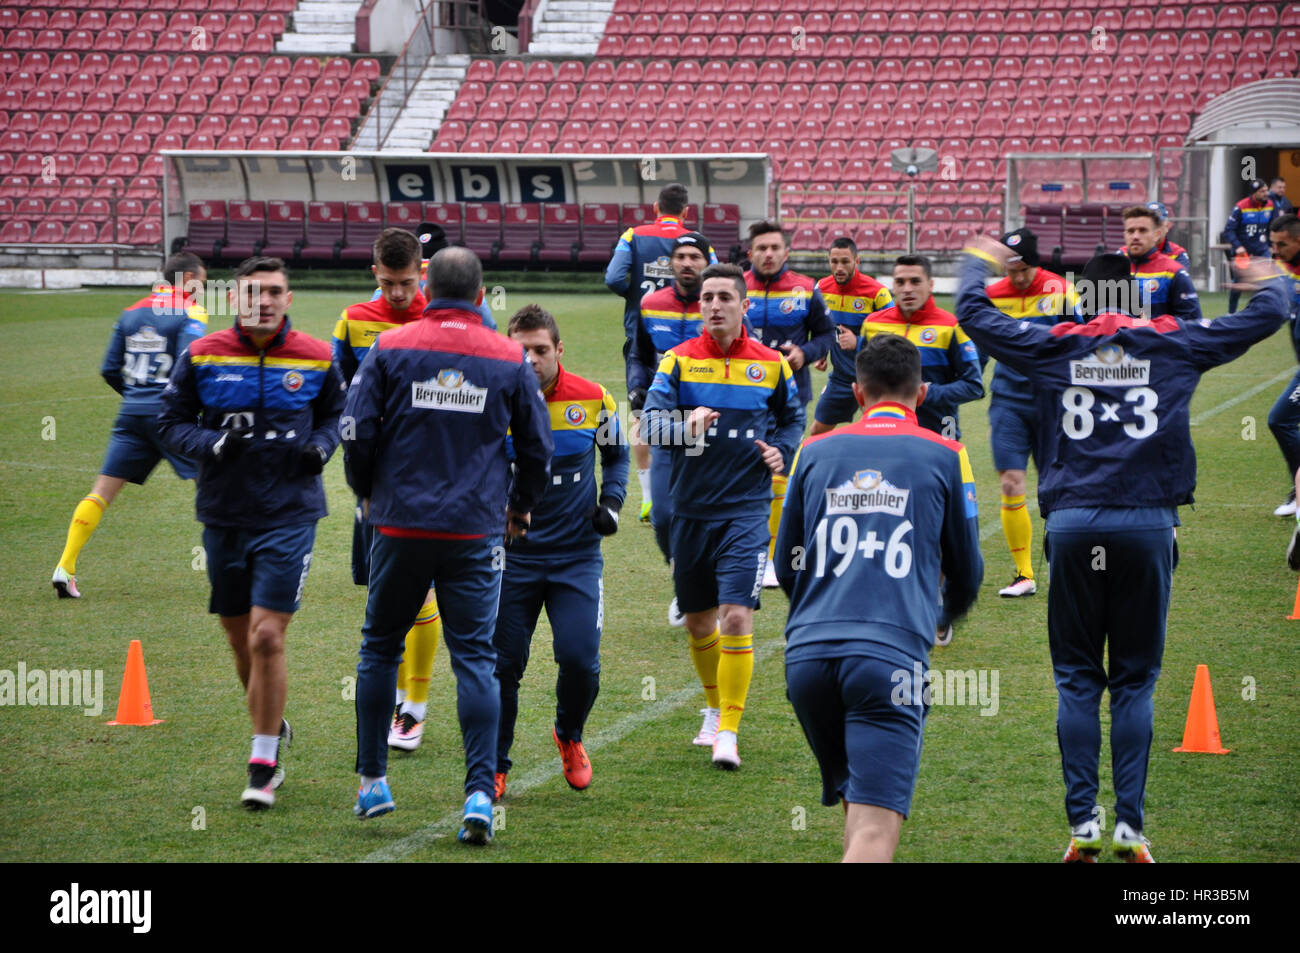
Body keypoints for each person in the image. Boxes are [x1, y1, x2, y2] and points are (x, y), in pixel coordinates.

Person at [956, 236, 1289, 863]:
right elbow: (1269, 315)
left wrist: (981, 260)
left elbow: (975, 315)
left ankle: (1083, 820)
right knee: (1135, 681)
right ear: (1135, 296)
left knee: (1078, 679)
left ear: (1080, 301)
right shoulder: (1174, 341)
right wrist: (1264, 272)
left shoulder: (1056, 344)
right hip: (1146, 523)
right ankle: (1130, 826)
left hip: (1077, 523)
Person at [341, 247, 552, 844]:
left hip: (400, 524)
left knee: (380, 648)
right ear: (483, 295)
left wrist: (366, 492)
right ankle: (480, 796)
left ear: (428, 288)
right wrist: (519, 507)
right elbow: (537, 447)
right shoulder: (509, 357)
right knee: (476, 661)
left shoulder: (390, 345)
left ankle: (373, 782)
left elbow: (354, 430)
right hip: (474, 529)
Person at [776, 334, 983, 862]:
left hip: (807, 657)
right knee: (874, 831)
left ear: (856, 393)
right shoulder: (948, 453)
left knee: (857, 805)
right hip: (889, 656)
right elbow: (968, 570)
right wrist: (939, 619)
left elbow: (786, 561)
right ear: (921, 395)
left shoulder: (814, 448)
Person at [158, 256, 345, 810]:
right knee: (241, 639)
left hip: (290, 514)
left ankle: (262, 762)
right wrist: (210, 446)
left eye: (273, 292)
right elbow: (169, 422)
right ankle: (271, 717)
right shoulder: (202, 353)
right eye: (251, 293)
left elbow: (341, 415)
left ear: (288, 299)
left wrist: (322, 447)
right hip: (223, 513)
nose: (262, 302)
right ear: (232, 299)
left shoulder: (317, 356)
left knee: (268, 636)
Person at [642, 263, 805, 769]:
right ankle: (713, 707)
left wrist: (782, 449)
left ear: (744, 306)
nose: (714, 305)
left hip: (747, 509)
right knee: (698, 623)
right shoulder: (677, 362)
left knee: (736, 615)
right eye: (707, 297)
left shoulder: (773, 365)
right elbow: (647, 425)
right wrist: (683, 425)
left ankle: (728, 730)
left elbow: (793, 417)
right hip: (691, 510)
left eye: (724, 298)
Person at [493, 305, 628, 800]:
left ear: (559, 350)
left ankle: (569, 735)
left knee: (579, 659)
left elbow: (616, 457)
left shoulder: (595, 399)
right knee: (502, 664)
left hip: (575, 556)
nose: (529, 359)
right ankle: (495, 763)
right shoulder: (493, 400)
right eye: (519, 350)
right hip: (510, 557)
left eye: (540, 350)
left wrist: (611, 505)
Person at [334, 227, 444, 752]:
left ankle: (412, 708)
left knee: (417, 586)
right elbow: (340, 393)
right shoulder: (354, 320)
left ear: (421, 272)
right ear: (374, 273)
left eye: (407, 283)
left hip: (434, 473)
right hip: (377, 476)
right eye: (389, 283)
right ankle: (399, 700)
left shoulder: (443, 315)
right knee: (383, 590)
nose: (399, 294)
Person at [52, 253, 208, 598]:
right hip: (171, 417)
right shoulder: (190, 311)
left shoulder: (130, 313)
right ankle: (232, 567)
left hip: (132, 414)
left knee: (101, 493)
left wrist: (137, 396)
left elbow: (109, 369)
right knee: (214, 482)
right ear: (188, 280)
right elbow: (189, 364)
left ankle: (65, 568)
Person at [982, 228, 1081, 598]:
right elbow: (981, 341)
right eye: (1011, 269)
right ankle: (1024, 574)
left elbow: (1084, 338)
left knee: (1054, 487)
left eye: (1023, 268)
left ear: (1035, 263)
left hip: (1053, 401)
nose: (1018, 276)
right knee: (1011, 482)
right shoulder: (993, 296)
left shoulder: (1061, 290)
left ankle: (1061, 560)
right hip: (1008, 401)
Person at [605, 183, 712, 523]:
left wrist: (635, 296)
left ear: (655, 207)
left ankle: (650, 497)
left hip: (645, 333)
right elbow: (720, 280)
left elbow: (612, 277)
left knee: (642, 414)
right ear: (685, 211)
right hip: (695, 345)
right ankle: (688, 492)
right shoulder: (697, 240)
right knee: (696, 415)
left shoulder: (633, 235)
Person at [743, 221, 835, 587]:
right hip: (743, 397)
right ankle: (744, 547)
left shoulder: (805, 288)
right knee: (746, 474)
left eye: (774, 247)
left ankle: (770, 558)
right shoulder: (735, 287)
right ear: (750, 253)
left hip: (790, 398)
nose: (768, 254)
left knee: (779, 471)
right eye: (761, 248)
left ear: (786, 252)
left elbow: (827, 334)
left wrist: (805, 352)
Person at [629, 231, 714, 623]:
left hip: (709, 422)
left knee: (706, 511)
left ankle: (699, 588)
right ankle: (684, 576)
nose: (687, 263)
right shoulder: (651, 304)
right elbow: (639, 353)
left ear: (705, 262)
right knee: (663, 516)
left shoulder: (717, 305)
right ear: (670, 263)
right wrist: (636, 388)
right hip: (666, 421)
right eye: (680, 256)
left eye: (694, 256)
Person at [856, 255, 984, 441]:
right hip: (886, 428)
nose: (907, 289)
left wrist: (923, 393)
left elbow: (974, 386)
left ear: (930, 284)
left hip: (939, 428)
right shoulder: (872, 324)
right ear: (893, 286)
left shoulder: (950, 326)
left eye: (915, 282)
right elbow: (861, 377)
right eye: (900, 282)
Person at [811, 236, 893, 436]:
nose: (839, 267)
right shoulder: (821, 288)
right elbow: (822, 325)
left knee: (882, 436)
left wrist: (858, 343)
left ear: (857, 261)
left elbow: (894, 339)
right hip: (841, 379)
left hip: (876, 379)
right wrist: (822, 349)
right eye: (834, 261)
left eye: (845, 261)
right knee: (817, 433)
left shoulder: (877, 293)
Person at [1266, 214, 1300, 519]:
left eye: (1282, 244)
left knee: (1280, 419)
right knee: (1280, 420)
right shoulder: (1285, 269)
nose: (1276, 251)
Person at [1121, 205, 1202, 323]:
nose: (1136, 236)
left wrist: (1152, 330)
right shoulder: (1113, 266)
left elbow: (1193, 323)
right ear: (1125, 235)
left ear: (1157, 234)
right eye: (1131, 231)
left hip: (1158, 340)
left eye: (1143, 230)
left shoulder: (1174, 272)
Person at [1223, 179, 1277, 313]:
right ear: (1254, 193)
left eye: (1266, 190)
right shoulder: (1241, 207)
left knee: (1265, 282)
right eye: (1262, 191)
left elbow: (1273, 227)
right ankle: (1231, 313)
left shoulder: (1270, 205)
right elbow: (1228, 230)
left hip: (1262, 250)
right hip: (1243, 253)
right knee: (1238, 284)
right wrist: (1238, 246)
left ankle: (1261, 311)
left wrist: (1271, 245)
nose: (1266, 193)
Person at [1115, 201, 1189, 269]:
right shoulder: (1122, 254)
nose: (1155, 228)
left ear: (1167, 227)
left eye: (1158, 224)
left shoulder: (1177, 254)